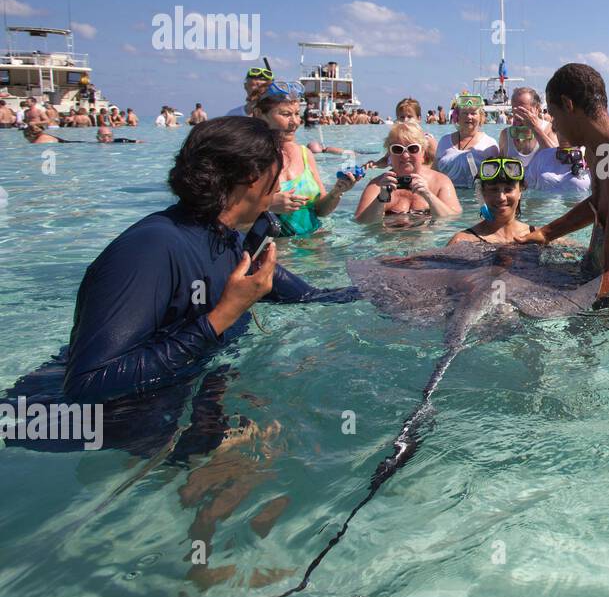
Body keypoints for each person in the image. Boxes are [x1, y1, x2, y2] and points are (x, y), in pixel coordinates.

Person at [6, 117, 357, 404]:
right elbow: (87, 384)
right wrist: (222, 315)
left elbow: (313, 297)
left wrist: (406, 274)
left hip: (181, 399)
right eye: (276, 172)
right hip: (77, 430)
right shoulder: (151, 248)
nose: (281, 182)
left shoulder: (228, 241)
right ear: (249, 178)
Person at [515, 64, 609, 297]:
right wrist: (547, 233)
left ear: (568, 104)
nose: (554, 125)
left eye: (554, 115)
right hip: (601, 277)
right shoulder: (599, 151)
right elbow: (600, 202)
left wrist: (545, 302)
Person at [255, 81, 359, 236]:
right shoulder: (250, 157)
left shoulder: (305, 154)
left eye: (297, 113)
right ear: (259, 114)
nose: (295, 122)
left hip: (315, 248)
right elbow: (227, 212)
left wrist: (336, 192)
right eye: (285, 114)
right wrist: (267, 204)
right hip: (278, 252)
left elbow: (320, 210)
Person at [355, 121, 461, 223]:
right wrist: (381, 199)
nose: (405, 155)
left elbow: (453, 219)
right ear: (389, 153)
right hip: (390, 239)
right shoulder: (377, 186)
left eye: (413, 149)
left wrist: (428, 195)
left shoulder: (440, 182)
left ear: (423, 152)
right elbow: (361, 222)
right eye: (397, 149)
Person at [447, 158, 538, 245]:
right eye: (494, 190)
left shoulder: (537, 236)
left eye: (508, 189)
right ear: (482, 193)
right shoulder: (463, 241)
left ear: (520, 192)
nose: (501, 198)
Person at [436, 95, 499, 187]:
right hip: (447, 198)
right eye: (465, 113)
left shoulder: (489, 144)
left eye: (473, 113)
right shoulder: (444, 141)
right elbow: (435, 174)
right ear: (457, 116)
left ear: (481, 117)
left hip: (476, 199)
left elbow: (496, 182)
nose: (469, 117)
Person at [497, 86, 557, 164]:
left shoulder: (550, 129)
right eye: (515, 110)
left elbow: (557, 159)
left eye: (523, 111)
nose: (518, 115)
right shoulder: (505, 134)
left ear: (537, 109)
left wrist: (534, 128)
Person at [523, 135, 592, 198]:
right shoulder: (543, 155)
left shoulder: (591, 158)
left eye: (568, 129)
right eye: (560, 129)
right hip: (544, 210)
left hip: (577, 210)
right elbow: (526, 188)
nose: (563, 134)